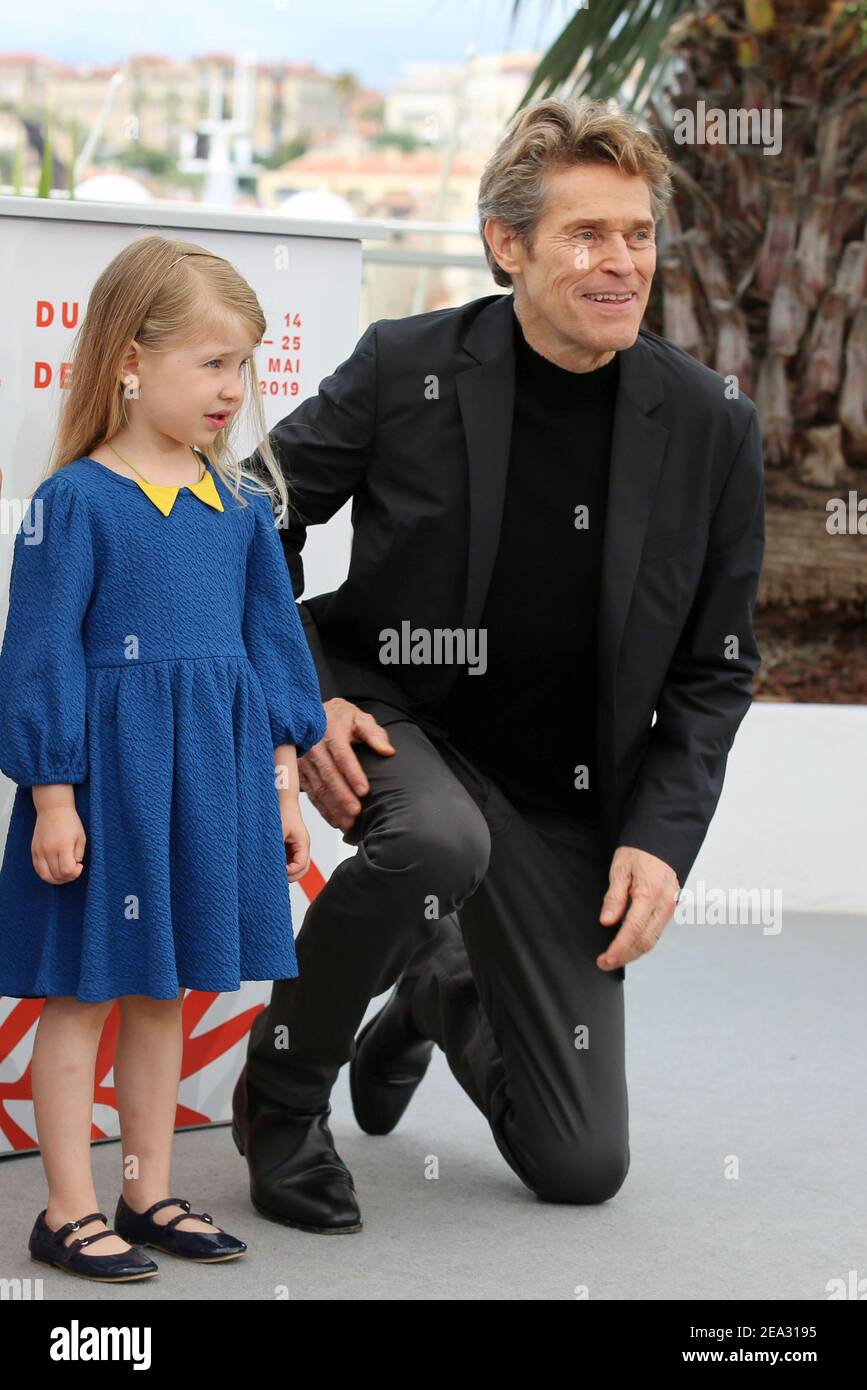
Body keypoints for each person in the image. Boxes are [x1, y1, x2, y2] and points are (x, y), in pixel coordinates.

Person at [231, 96, 766, 1233]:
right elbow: (247, 510)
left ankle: (435, 986)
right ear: (507, 244)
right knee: (435, 836)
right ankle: (281, 1100)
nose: (622, 263)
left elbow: (716, 668)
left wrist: (660, 842)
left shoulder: (712, 425)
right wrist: (303, 692)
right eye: (587, 235)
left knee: (579, 1163)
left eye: (637, 234)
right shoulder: (407, 364)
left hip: (566, 798)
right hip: (396, 711)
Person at [0, 235, 326, 1281]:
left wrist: (281, 787)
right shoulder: (76, 504)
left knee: (161, 993)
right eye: (214, 363)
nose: (237, 389)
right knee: (79, 994)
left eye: (247, 365)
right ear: (130, 361)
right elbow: (41, 659)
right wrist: (55, 799)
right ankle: (66, 1209)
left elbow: (276, 654)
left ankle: (146, 1189)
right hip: (106, 791)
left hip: (209, 786)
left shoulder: (241, 507)